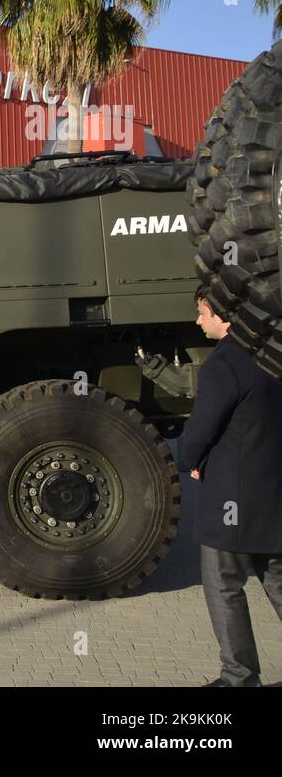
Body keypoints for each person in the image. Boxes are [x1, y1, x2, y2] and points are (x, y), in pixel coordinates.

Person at [180, 285, 282, 686]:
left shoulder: (224, 365)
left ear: (224, 316)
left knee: (224, 586)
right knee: (276, 579)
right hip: (274, 494)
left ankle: (239, 677)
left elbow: (200, 430)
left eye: (203, 314)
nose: (198, 321)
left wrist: (190, 460)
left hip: (231, 504)